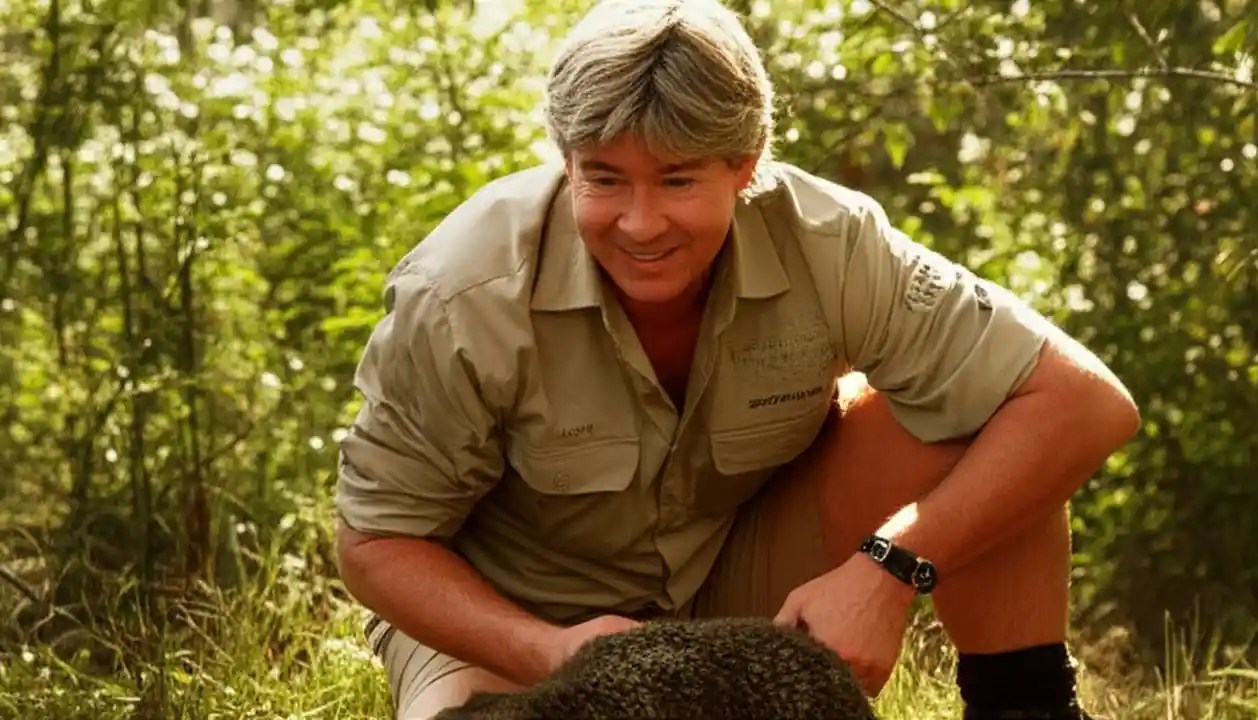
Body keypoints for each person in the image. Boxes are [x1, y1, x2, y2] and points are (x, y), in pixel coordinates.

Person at [332, 1, 1140, 718]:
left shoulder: (831, 239)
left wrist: (889, 572)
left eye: (678, 180)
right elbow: (376, 545)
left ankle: (1023, 710)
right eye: (604, 180)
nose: (640, 224)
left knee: (986, 410)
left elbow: (1082, 403)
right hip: (522, 619)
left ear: (745, 163)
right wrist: (548, 653)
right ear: (565, 160)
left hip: (744, 576)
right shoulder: (461, 293)